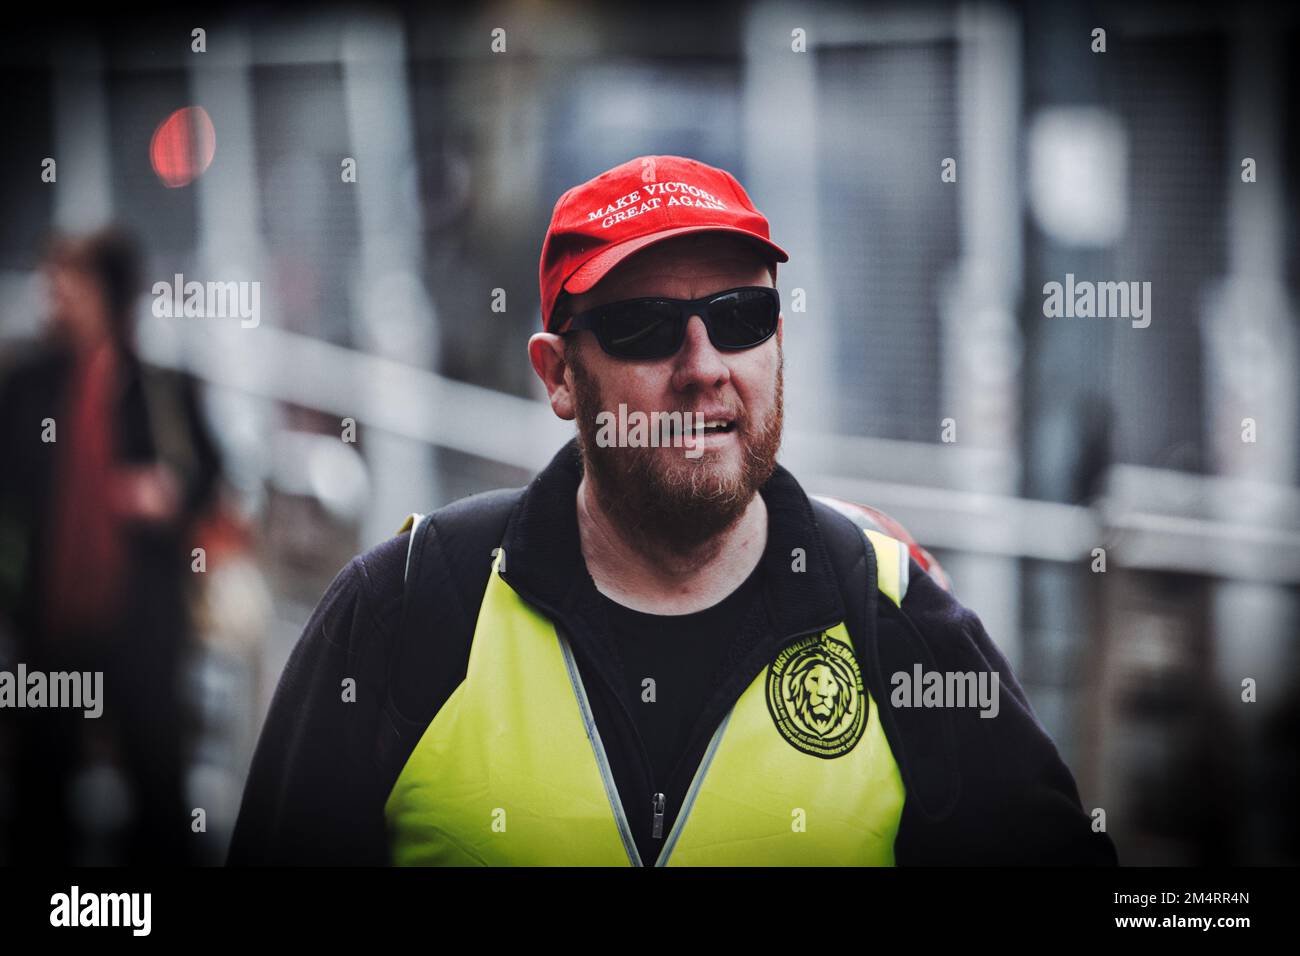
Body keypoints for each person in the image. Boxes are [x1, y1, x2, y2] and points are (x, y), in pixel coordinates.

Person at [229, 155, 1117, 866]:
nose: (704, 365)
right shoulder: (410, 608)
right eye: (645, 328)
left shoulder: (891, 612)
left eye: (741, 315)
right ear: (559, 375)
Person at [0, 225, 223, 864]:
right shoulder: (29, 383)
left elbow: (208, 473)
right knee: (39, 789)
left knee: (157, 787)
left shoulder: (159, 386)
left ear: (106, 291)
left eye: (70, 278)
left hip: (142, 619)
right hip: (53, 618)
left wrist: (166, 495)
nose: (55, 293)